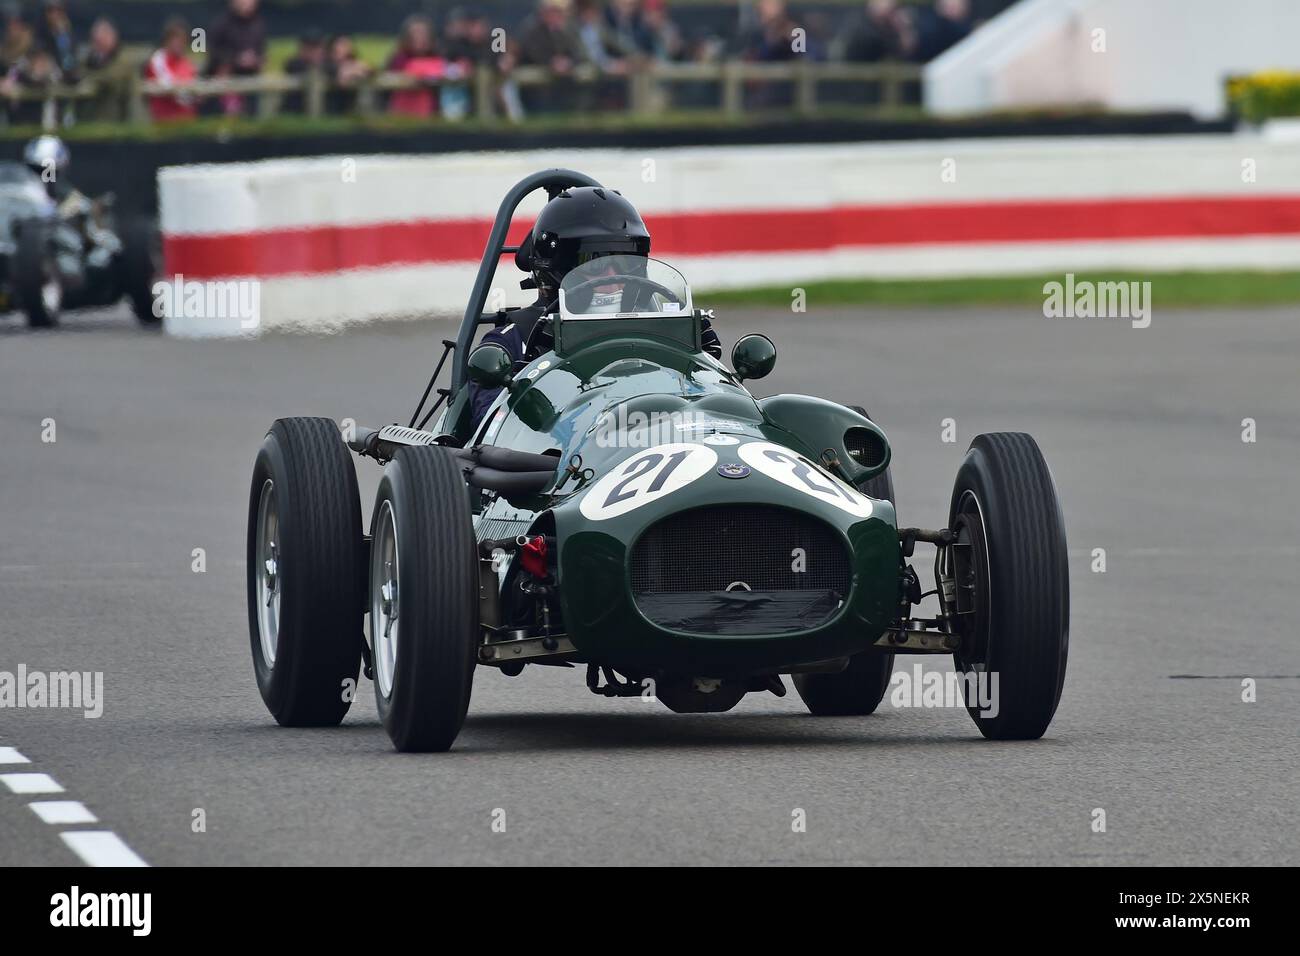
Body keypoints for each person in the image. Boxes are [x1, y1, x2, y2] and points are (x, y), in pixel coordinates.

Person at [469, 186, 721, 427]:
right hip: (566, 458)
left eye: (625, 261)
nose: (612, 275)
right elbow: (492, 429)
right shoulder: (514, 340)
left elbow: (710, 400)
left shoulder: (667, 327)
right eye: (594, 262)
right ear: (556, 266)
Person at [208, 0, 266, 115]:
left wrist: (257, 60)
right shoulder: (221, 24)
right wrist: (236, 59)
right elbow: (212, 52)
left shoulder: (258, 24)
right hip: (227, 84)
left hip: (251, 82)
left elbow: (262, 51)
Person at [386, 15, 449, 117]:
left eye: (423, 34)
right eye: (416, 34)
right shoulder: (399, 58)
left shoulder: (439, 56)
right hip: (401, 112)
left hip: (429, 113)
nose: (420, 38)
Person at [143, 18, 198, 122]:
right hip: (164, 123)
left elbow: (194, 94)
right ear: (167, 40)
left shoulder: (188, 64)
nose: (179, 44)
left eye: (183, 40)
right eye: (175, 39)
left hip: (188, 123)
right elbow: (172, 91)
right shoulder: (157, 60)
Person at [79, 17, 133, 121]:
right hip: (92, 118)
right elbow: (80, 73)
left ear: (112, 37)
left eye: (101, 40)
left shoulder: (123, 59)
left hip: (117, 117)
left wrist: (90, 77)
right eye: (95, 41)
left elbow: (111, 78)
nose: (98, 44)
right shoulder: (91, 59)